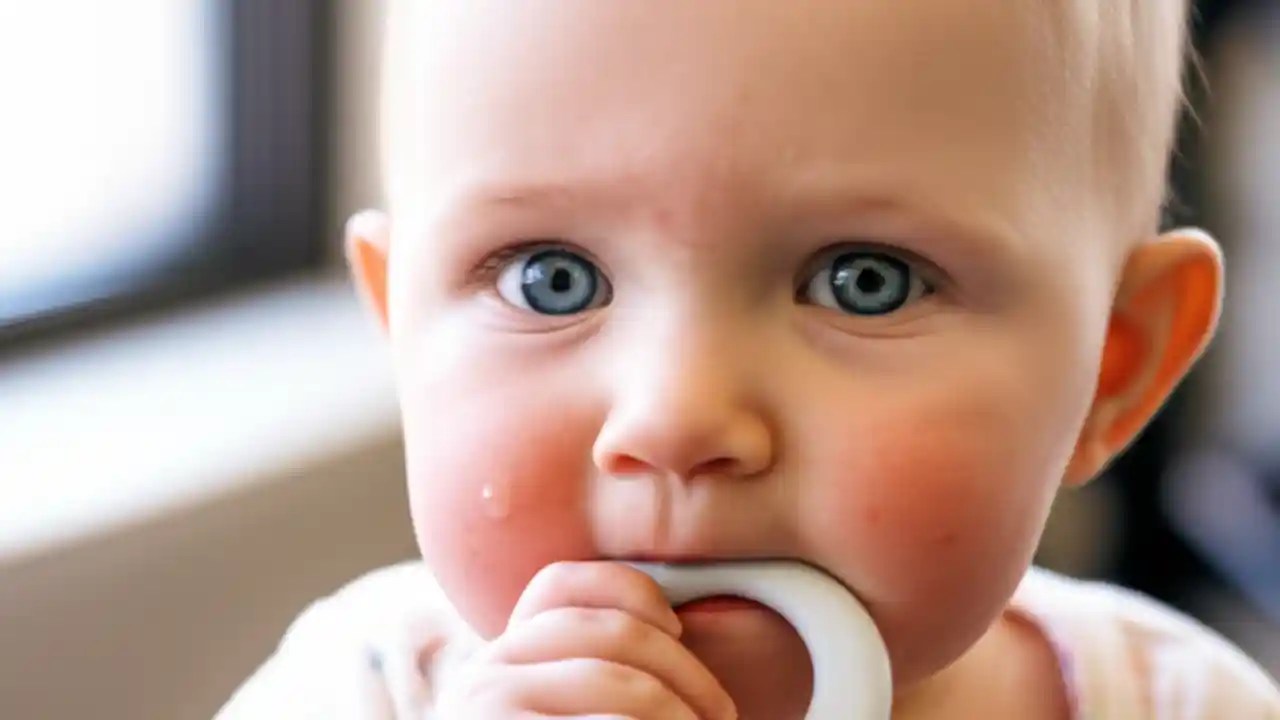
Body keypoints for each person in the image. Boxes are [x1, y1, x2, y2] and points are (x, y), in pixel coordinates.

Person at [219, 1, 1280, 717]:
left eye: (865, 279)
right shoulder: (360, 688)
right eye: (552, 277)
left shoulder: (1182, 702)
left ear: (1111, 364)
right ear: (404, 333)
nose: (675, 419)